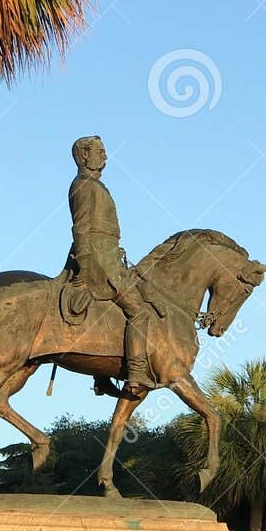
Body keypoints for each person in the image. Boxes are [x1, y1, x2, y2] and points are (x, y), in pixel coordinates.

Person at [66, 135, 156, 393]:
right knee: (139, 310)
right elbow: (81, 228)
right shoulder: (84, 185)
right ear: (85, 156)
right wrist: (85, 266)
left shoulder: (94, 185)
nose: (105, 157)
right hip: (98, 262)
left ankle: (101, 374)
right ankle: (137, 373)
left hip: (109, 254)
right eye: (100, 151)